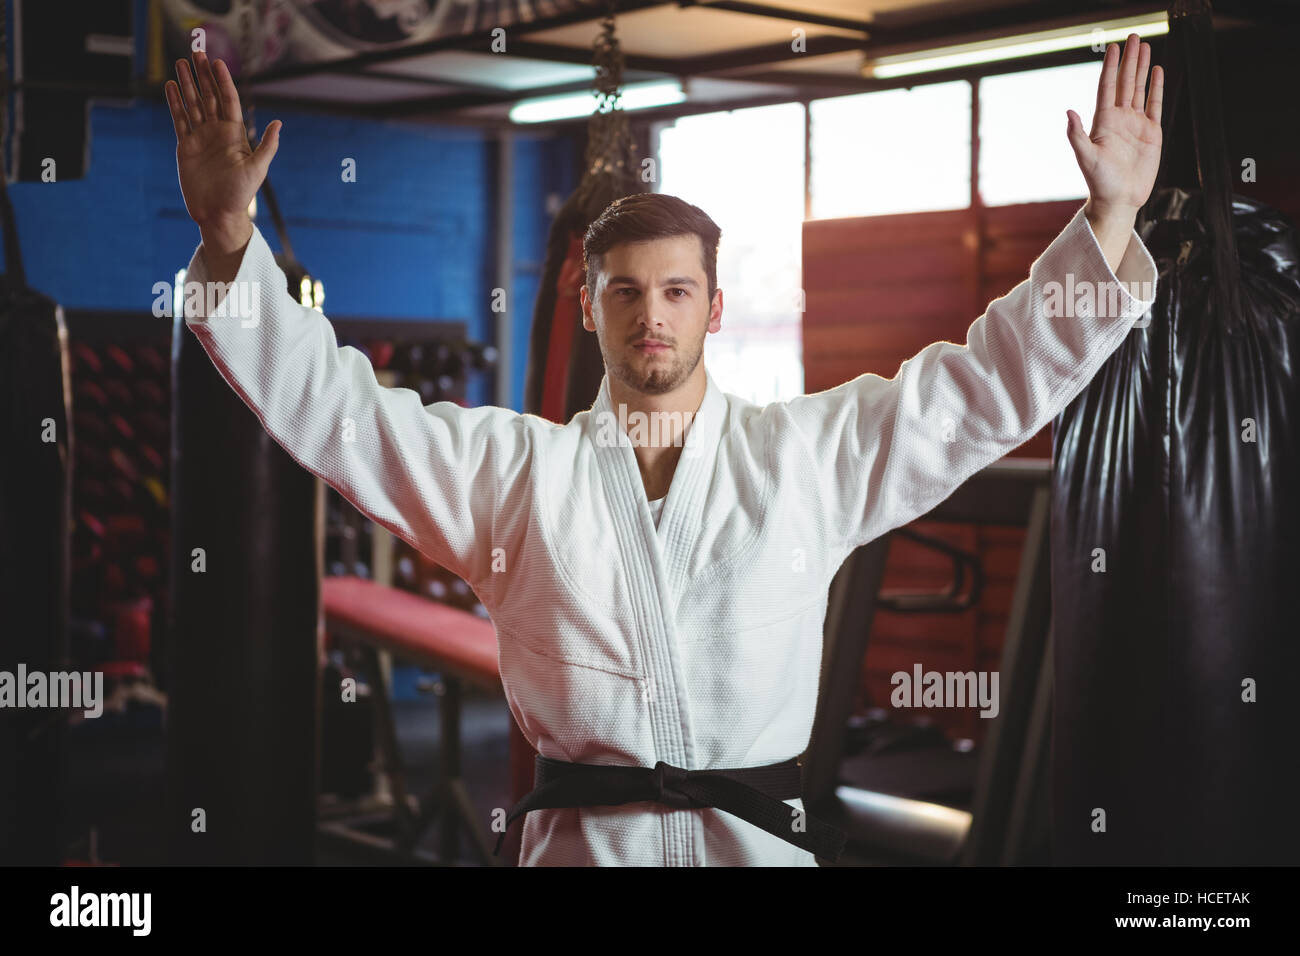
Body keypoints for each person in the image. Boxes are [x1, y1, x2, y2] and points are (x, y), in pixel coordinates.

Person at [165, 36, 1163, 866]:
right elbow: (346, 414)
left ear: (715, 308)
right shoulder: (515, 475)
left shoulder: (806, 457)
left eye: (677, 291)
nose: (652, 316)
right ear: (585, 305)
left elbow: (978, 389)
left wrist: (1110, 219)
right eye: (625, 292)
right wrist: (228, 234)